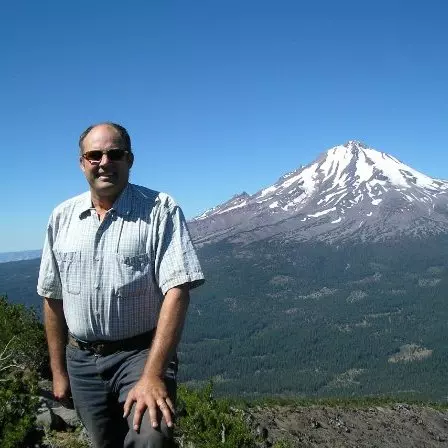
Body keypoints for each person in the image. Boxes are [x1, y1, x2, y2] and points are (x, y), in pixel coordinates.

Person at [37, 122, 205, 448]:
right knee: (104, 442)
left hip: (140, 354)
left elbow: (177, 289)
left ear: (130, 159)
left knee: (150, 436)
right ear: (82, 162)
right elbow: (52, 297)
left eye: (115, 154)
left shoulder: (159, 210)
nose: (104, 162)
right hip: (82, 359)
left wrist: (153, 375)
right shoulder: (61, 218)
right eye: (94, 155)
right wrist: (59, 372)